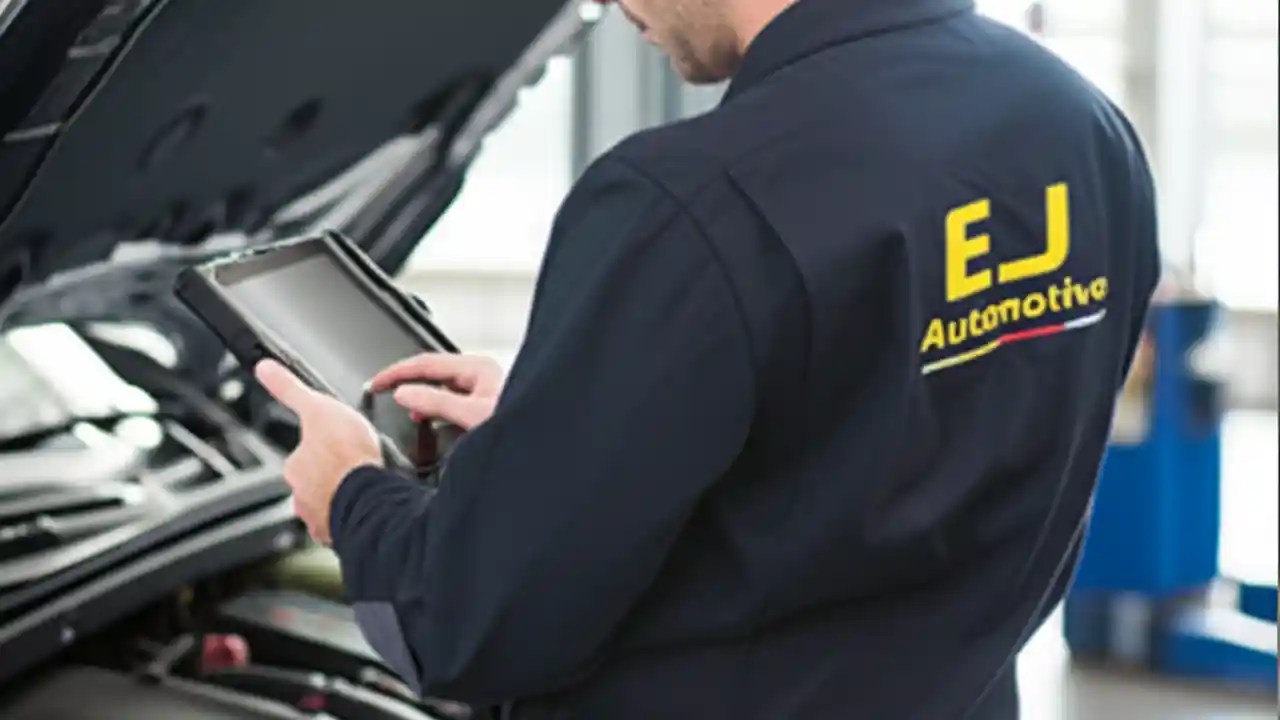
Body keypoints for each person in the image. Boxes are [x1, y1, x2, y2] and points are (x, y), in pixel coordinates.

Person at [254, 0, 1160, 717]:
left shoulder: (693, 198)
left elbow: (471, 629)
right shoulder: (1079, 127)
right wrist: (566, 418)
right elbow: (914, 422)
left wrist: (352, 497)